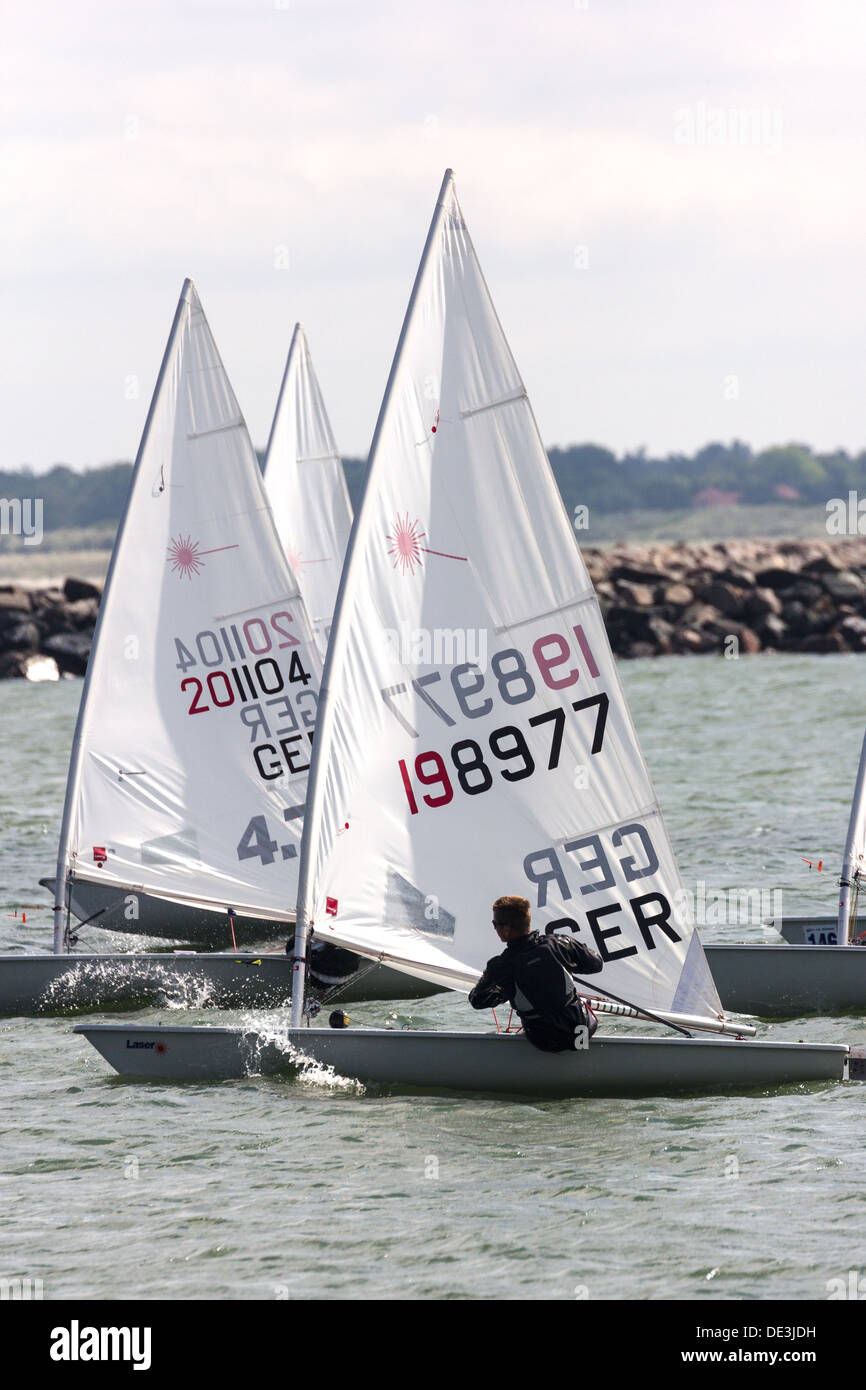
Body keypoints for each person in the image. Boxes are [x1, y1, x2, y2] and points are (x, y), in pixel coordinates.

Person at [468, 895, 603, 1052]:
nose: (495, 928)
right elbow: (596, 964)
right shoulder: (559, 943)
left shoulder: (501, 965)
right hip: (583, 1033)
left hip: (545, 1043)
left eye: (494, 924)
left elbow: (477, 1000)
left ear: (506, 930)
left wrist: (503, 990)